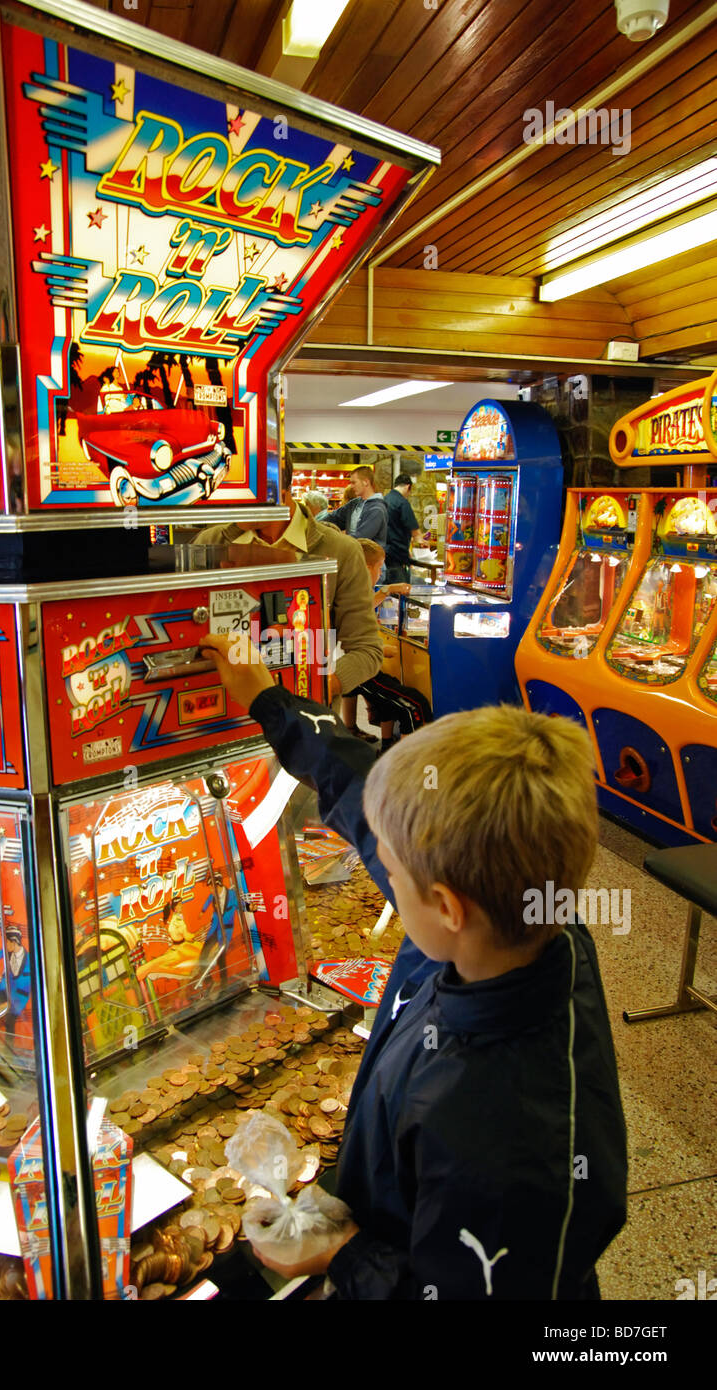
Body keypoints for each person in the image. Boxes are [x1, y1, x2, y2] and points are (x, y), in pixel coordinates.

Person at [197, 632, 628, 1300]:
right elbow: (372, 801)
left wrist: (345, 1257)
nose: (382, 872)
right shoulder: (529, 919)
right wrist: (269, 703)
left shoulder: (507, 1130)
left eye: (391, 876)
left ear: (446, 905)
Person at [193, 457, 382, 697]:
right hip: (223, 716)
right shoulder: (210, 543)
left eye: (245, 493)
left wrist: (320, 689)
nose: (231, 502)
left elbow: (366, 649)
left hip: (302, 719)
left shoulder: (340, 551)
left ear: (282, 491)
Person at [341, 539, 431, 752]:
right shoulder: (352, 591)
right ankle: (406, 762)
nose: (381, 572)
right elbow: (347, 633)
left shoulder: (353, 587)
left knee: (393, 698)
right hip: (360, 671)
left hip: (361, 669)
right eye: (379, 567)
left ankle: (388, 746)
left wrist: (386, 590)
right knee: (414, 705)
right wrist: (380, 650)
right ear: (365, 567)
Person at [326, 466, 388, 547]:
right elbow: (334, 518)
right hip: (355, 555)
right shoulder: (355, 503)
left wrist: (333, 541)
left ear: (366, 482)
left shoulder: (377, 509)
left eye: (354, 482)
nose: (351, 486)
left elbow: (361, 538)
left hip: (368, 558)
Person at [384, 474, 423, 583]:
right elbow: (415, 531)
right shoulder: (402, 503)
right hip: (398, 555)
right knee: (400, 591)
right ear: (407, 487)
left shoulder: (384, 499)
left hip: (384, 554)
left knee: (388, 592)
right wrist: (421, 540)